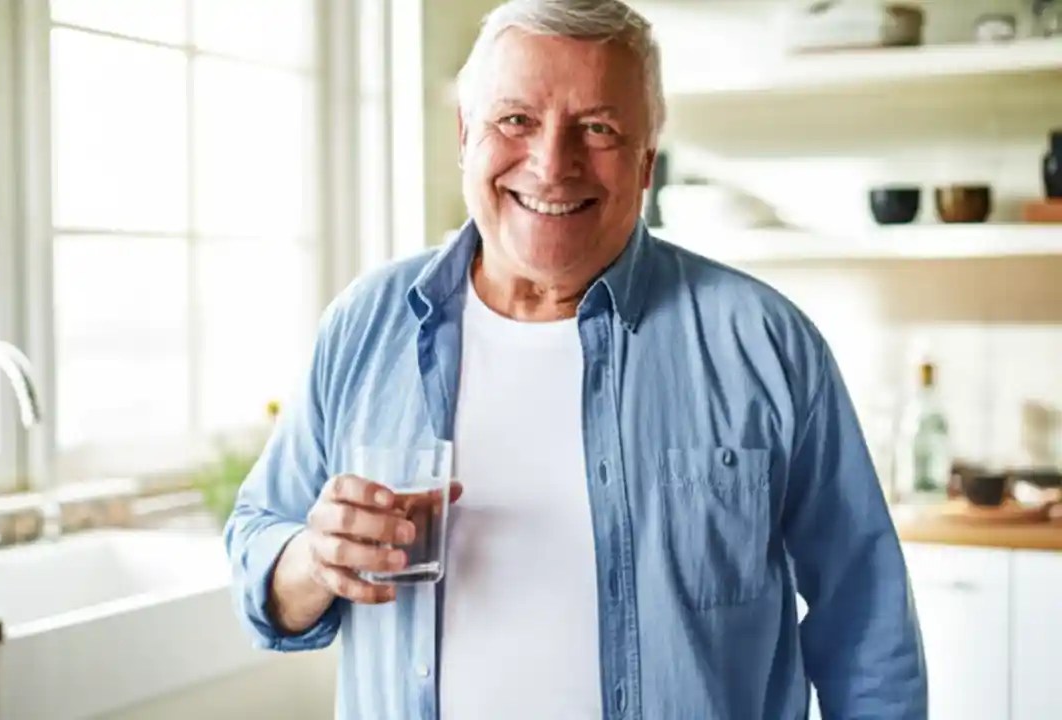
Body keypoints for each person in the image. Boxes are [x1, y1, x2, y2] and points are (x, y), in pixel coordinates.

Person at [225, 0, 927, 717]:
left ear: (647, 161)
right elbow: (258, 548)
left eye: (598, 128)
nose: (552, 165)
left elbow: (868, 626)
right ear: (466, 135)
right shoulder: (366, 325)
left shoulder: (767, 343)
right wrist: (315, 558)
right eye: (516, 120)